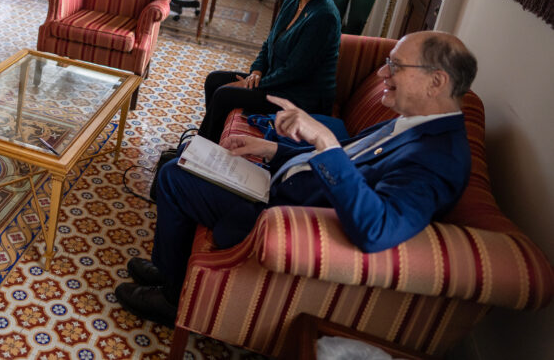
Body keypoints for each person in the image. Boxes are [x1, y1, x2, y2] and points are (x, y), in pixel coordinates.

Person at [115, 31, 477, 327]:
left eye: (394, 65)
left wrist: (325, 140)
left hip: (283, 216)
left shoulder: (438, 159)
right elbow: (348, 159)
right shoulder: (413, 123)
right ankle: (167, 268)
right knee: (187, 157)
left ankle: (172, 298)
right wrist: (271, 150)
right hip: (279, 184)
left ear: (436, 82)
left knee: (174, 177)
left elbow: (376, 229)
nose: (383, 74)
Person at [197, 0, 341, 142]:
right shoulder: (293, 0)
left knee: (224, 94)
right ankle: (209, 142)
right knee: (214, 80)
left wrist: (255, 85)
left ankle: (203, 150)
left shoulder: (324, 16)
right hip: (279, 82)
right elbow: (269, 43)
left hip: (299, 97)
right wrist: (256, 72)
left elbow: (296, 71)